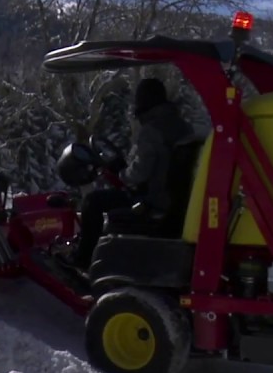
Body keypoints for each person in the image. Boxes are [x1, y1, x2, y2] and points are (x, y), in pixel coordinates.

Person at [70, 77, 195, 269]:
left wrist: (122, 174)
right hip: (174, 200)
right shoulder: (182, 126)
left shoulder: (152, 130)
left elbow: (140, 173)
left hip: (153, 200)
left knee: (92, 202)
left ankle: (84, 259)